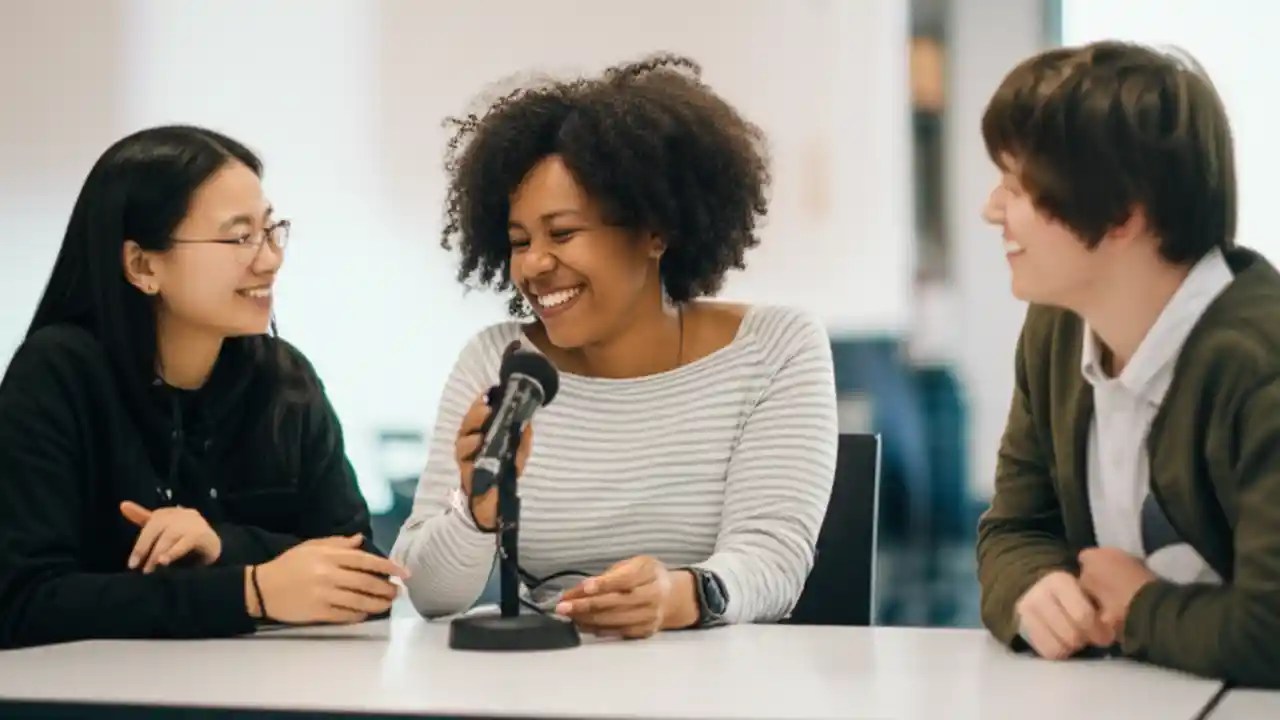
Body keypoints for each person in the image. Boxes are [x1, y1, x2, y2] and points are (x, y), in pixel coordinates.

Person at [392, 54, 838, 639]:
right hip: (542, 682)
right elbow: (428, 595)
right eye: (519, 241)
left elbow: (773, 557)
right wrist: (475, 513)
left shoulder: (774, 348)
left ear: (655, 231)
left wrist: (679, 595)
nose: (534, 264)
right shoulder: (499, 362)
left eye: (563, 233)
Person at [0, 125, 408, 648]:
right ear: (143, 265)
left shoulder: (285, 380)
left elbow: (366, 576)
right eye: (240, 237)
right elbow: (23, 602)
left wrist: (223, 546)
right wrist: (249, 592)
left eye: (270, 231)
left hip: (275, 695)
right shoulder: (59, 374)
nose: (270, 259)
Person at [976, 41, 1280, 687]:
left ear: (1120, 215)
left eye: (1015, 187)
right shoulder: (1055, 329)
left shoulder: (1260, 363)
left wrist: (1139, 607)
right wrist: (1035, 588)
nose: (991, 210)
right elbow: (1013, 529)